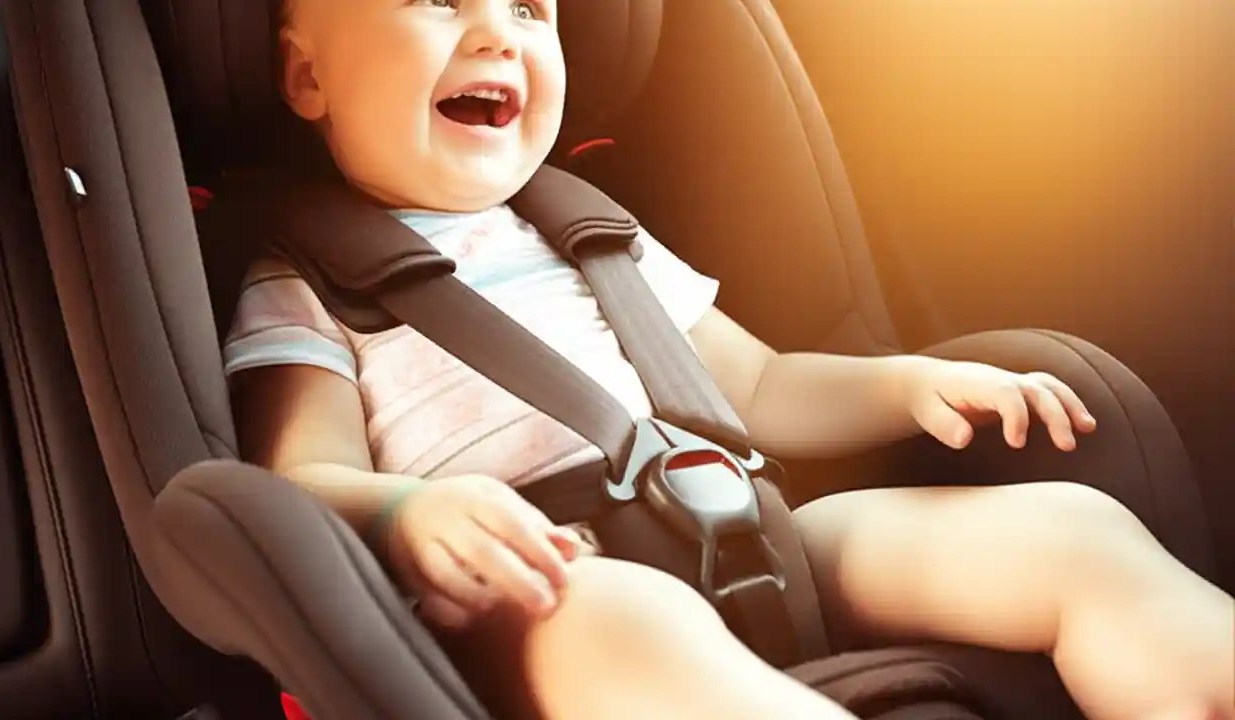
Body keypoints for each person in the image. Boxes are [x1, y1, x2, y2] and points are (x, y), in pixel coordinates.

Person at [224, 1, 1235, 718]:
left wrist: (908, 385)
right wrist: (408, 514)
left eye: (531, 10)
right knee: (625, 627)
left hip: (742, 531)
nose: (497, 30)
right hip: (540, 589)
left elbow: (756, 387)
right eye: (437, 0)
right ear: (307, 73)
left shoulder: (592, 237)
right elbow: (299, 479)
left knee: (1068, 529)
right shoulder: (306, 281)